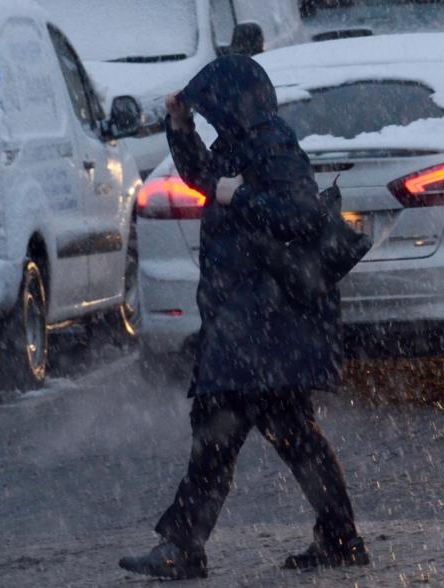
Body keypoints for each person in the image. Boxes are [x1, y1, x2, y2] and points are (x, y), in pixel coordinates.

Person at [119, 56, 369, 580]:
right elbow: (201, 177)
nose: (208, 118)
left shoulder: (272, 147)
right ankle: (339, 538)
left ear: (233, 104)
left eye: (210, 109)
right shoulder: (240, 142)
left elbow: (300, 215)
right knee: (282, 433)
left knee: (223, 433)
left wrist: (240, 194)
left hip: (267, 324)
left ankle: (184, 546)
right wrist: (180, 127)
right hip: (251, 321)